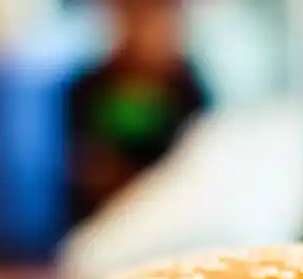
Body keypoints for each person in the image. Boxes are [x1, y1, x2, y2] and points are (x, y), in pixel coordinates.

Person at [66, 0, 208, 226]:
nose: (150, 31)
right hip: (105, 219)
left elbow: (196, 163)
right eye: (138, 16)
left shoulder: (187, 87)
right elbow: (86, 165)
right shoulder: (88, 87)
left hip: (169, 215)